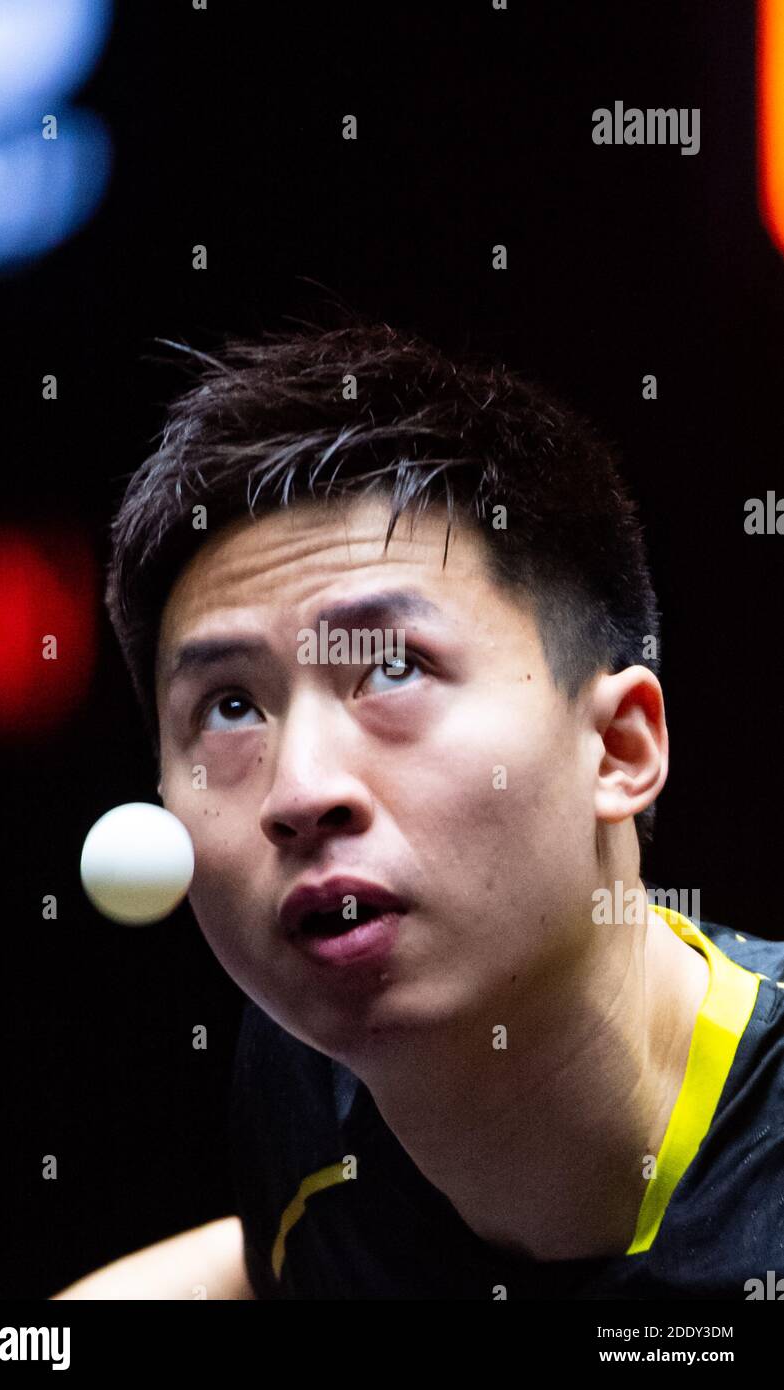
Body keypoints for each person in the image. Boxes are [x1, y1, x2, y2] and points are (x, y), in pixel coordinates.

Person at [53, 313, 784, 1300]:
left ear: (617, 747)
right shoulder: (306, 1076)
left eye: (392, 667)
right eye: (230, 706)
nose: (301, 791)